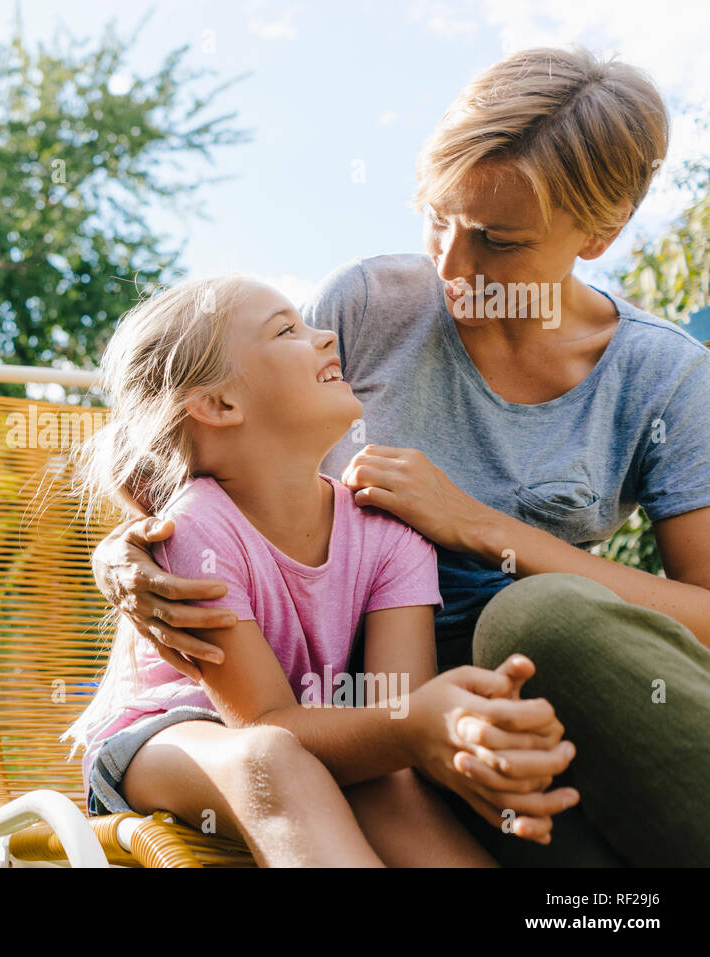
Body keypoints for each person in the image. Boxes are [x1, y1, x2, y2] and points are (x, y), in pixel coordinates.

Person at [89, 46, 710, 866]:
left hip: (516, 694)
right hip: (380, 718)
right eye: (437, 215)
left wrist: (483, 528)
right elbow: (203, 433)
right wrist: (125, 549)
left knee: (535, 616)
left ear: (603, 231)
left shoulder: (663, 377)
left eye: (497, 240)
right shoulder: (367, 305)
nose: (449, 266)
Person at [61, 273, 580, 866]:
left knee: (390, 785)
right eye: (286, 330)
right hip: (167, 740)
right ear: (218, 404)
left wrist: (452, 732)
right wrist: (409, 727)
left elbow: (397, 713)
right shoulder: (193, 530)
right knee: (269, 760)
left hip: (301, 732)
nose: (326, 336)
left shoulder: (391, 531)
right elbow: (261, 722)